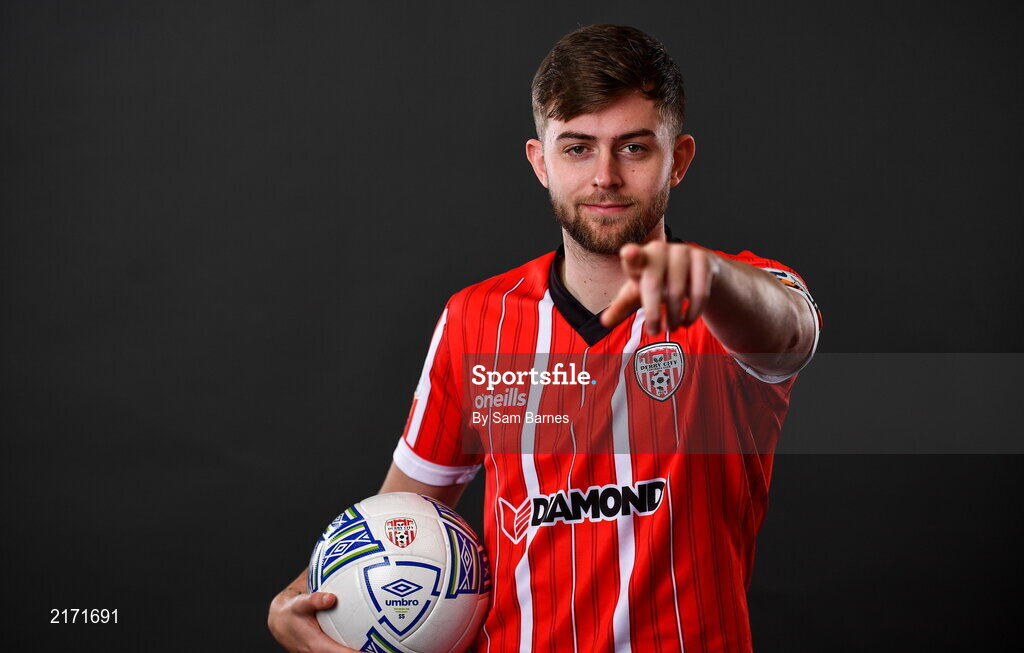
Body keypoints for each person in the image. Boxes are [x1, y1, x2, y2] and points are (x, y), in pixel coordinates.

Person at [268, 24, 822, 653]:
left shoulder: (731, 301)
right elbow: (399, 520)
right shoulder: (475, 319)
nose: (605, 177)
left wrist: (713, 279)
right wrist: (305, 602)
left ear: (680, 159)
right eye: (578, 148)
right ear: (540, 162)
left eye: (635, 148)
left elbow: (791, 331)